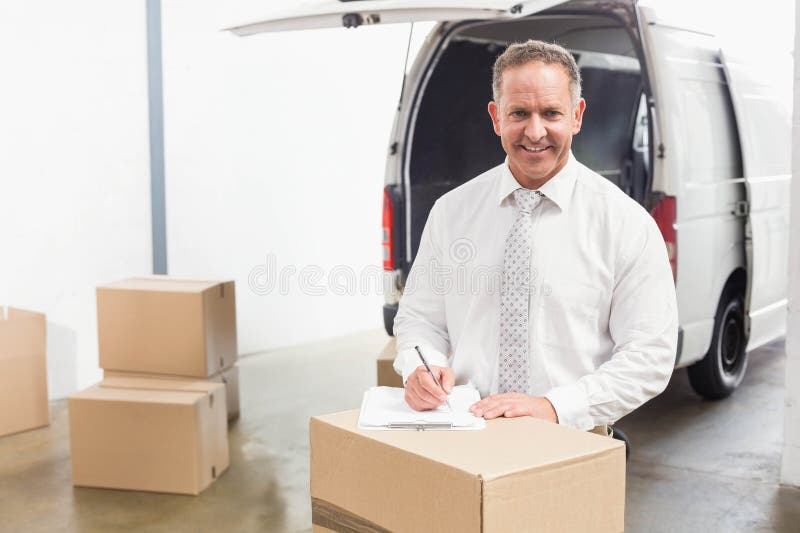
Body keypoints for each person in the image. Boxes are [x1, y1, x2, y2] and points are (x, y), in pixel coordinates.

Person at [392, 39, 678, 431]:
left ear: (577, 116)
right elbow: (420, 319)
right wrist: (421, 365)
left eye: (551, 113)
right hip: (465, 434)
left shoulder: (626, 223)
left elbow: (650, 354)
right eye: (520, 113)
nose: (535, 130)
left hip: (571, 441)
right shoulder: (451, 213)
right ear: (496, 117)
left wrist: (553, 406)